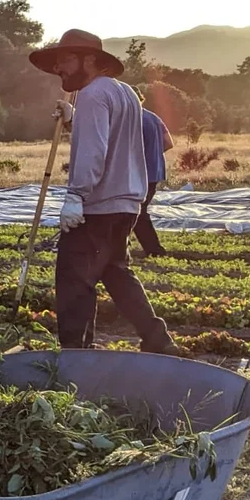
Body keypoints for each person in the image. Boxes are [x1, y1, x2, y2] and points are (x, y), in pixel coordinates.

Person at [30, 29, 179, 355]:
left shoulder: (93, 94)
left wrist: (76, 196)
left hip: (98, 204)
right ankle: (158, 340)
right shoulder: (123, 92)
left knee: (74, 279)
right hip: (126, 203)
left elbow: (94, 151)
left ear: (91, 60)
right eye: (57, 62)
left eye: (66, 60)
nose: (60, 68)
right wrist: (73, 120)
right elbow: (110, 138)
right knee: (116, 273)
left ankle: (75, 352)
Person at [133, 93, 173, 258]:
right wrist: (154, 155)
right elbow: (168, 143)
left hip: (138, 172)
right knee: (135, 210)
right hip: (155, 172)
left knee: (136, 211)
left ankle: (155, 250)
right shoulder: (154, 118)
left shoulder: (132, 120)